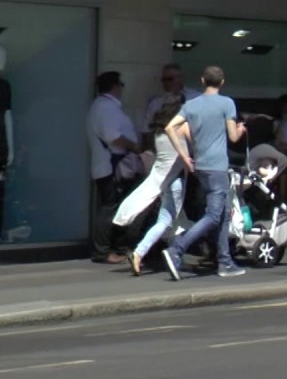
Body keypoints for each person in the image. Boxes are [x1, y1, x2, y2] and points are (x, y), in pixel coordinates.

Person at [160, 66, 246, 280]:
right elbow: (233, 137)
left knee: (224, 214)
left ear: (202, 80)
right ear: (222, 82)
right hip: (218, 166)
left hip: (201, 166)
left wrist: (184, 155)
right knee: (214, 215)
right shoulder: (227, 103)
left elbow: (171, 127)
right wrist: (242, 129)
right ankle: (177, 249)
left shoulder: (191, 104)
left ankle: (225, 261)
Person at [114, 93, 192, 276]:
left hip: (162, 181)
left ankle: (174, 257)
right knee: (166, 222)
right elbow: (196, 145)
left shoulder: (159, 134)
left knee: (175, 222)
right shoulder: (182, 128)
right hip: (176, 181)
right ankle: (142, 253)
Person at [87, 71, 142, 265]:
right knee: (109, 208)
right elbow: (113, 136)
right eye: (121, 84)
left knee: (113, 206)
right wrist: (135, 147)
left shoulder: (102, 106)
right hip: (111, 168)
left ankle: (114, 248)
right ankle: (103, 251)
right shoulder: (106, 107)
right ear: (114, 86)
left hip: (108, 166)